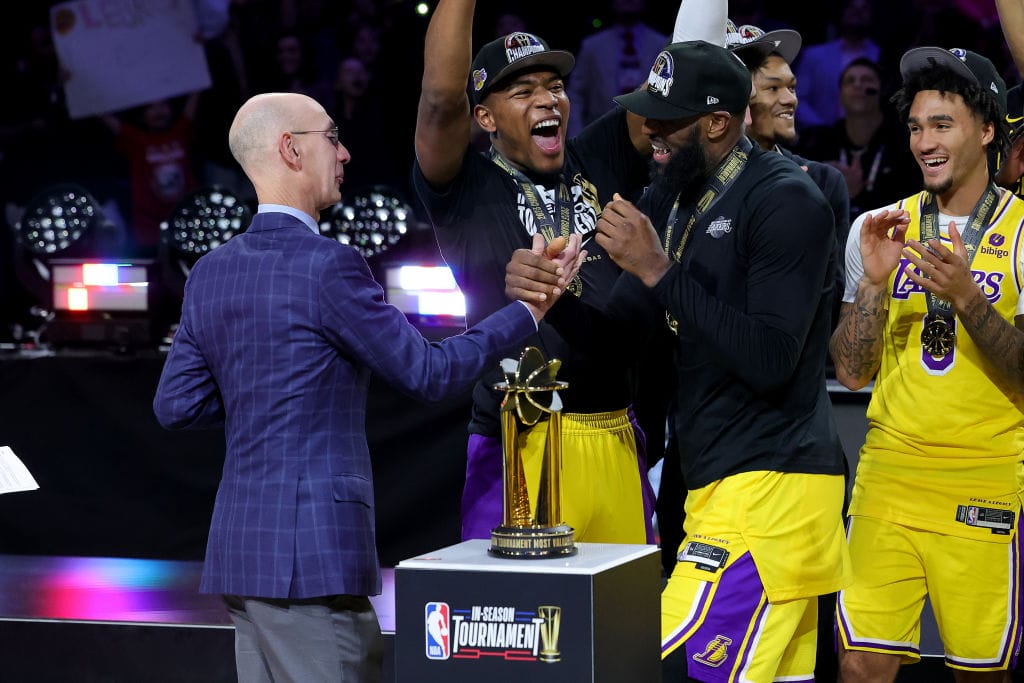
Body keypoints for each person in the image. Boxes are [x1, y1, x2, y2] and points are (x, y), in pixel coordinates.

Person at [152, 91, 578, 682]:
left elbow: (176, 406)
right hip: (310, 560)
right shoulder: (329, 266)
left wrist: (266, 392)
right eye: (332, 136)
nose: (346, 152)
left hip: (241, 553)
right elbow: (429, 374)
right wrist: (529, 310)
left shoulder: (209, 271)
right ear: (290, 149)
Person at [510, 39, 852, 682]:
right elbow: (619, 335)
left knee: (651, 659)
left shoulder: (787, 201)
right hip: (713, 482)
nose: (651, 132)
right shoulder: (669, 199)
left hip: (774, 483)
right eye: (647, 115)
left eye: (667, 120)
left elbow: (773, 357)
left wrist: (658, 270)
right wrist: (549, 300)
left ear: (719, 122)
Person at [413, 0, 664, 546]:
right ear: (485, 117)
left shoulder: (597, 155)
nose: (547, 99)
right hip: (517, 441)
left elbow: (674, 89)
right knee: (523, 628)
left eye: (554, 86)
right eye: (522, 92)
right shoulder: (464, 187)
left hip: (616, 432)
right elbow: (438, 99)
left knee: (624, 624)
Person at [830, 47, 1024, 681]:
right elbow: (853, 373)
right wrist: (873, 288)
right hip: (887, 476)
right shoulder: (882, 228)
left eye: (942, 124)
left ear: (988, 130)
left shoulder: (1022, 234)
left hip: (986, 483)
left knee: (980, 673)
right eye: (915, 127)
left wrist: (968, 299)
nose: (923, 141)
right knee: (859, 667)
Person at [798, 57, 921, 225]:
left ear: (881, 90)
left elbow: (913, 203)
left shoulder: (904, 143)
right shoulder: (820, 143)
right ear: (840, 95)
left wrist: (860, 193)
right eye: (850, 81)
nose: (857, 85)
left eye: (867, 80)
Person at [566, 0, 668, 137]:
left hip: (649, 137)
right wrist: (576, 138)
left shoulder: (661, 44)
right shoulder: (592, 46)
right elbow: (575, 94)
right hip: (600, 137)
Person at [792, 0, 881, 130]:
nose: (858, 12)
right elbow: (798, 98)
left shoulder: (881, 58)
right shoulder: (814, 55)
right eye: (852, 7)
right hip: (820, 140)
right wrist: (822, 129)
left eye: (864, 8)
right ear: (842, 13)